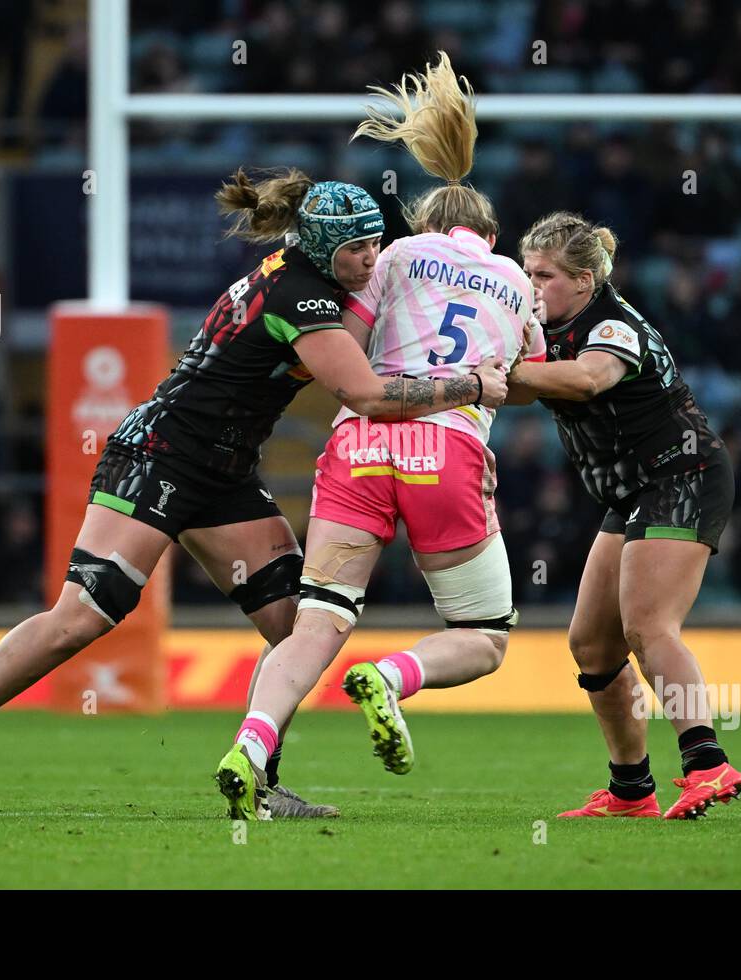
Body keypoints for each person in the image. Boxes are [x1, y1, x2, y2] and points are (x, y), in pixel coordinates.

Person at [0, 168, 508, 820]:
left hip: (224, 473)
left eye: (376, 242)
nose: (371, 257)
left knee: (295, 627)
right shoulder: (303, 297)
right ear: (325, 249)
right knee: (80, 618)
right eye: (357, 248)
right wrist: (471, 387)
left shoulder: (302, 271)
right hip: (160, 455)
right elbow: (367, 396)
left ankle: (258, 778)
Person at [214, 51, 539, 821]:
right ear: (488, 236)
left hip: (362, 442)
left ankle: (253, 744)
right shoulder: (519, 284)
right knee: (484, 632)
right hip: (448, 448)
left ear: (426, 224)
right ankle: (391, 677)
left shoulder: (392, 258)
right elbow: (529, 378)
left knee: (319, 615)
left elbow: (348, 350)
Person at [505, 211, 741, 820]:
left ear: (585, 280)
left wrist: (495, 375)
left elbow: (587, 380)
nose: (532, 286)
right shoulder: (540, 329)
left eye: (546, 275)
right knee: (591, 645)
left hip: (681, 474)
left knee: (648, 627)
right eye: (527, 273)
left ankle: (708, 763)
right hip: (633, 492)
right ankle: (631, 790)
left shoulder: (612, 326)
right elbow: (523, 385)